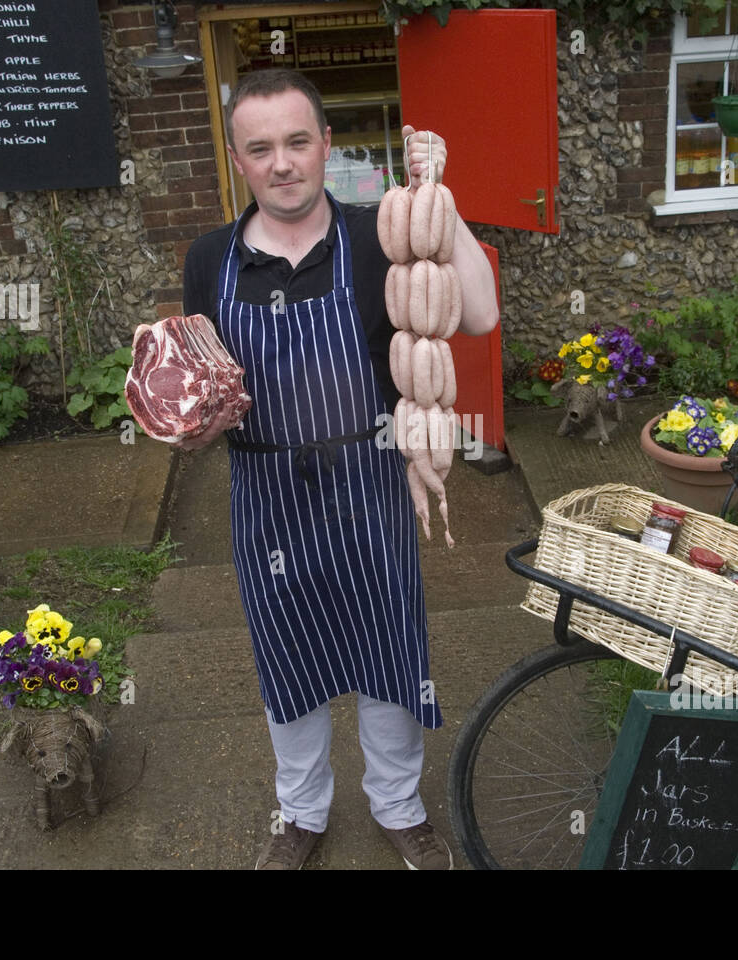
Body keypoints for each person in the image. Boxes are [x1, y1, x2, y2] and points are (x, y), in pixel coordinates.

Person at [178, 67, 499, 870]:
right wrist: (188, 426)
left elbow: (483, 311)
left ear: (326, 145)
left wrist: (441, 200)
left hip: (370, 476)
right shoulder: (211, 258)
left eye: (296, 141)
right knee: (287, 654)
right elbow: (196, 379)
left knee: (385, 648)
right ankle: (302, 813)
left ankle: (399, 806)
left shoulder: (378, 234)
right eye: (261, 149)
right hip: (266, 490)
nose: (282, 162)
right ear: (237, 159)